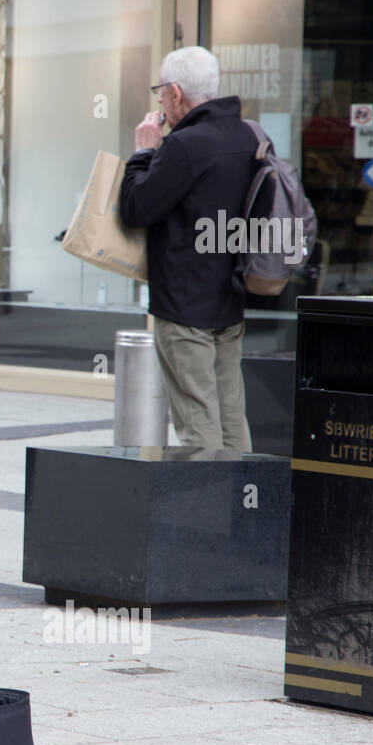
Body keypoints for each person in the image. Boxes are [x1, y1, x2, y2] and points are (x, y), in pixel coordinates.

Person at [119, 45, 255, 451]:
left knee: (198, 424)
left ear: (176, 93)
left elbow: (136, 208)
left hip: (183, 306)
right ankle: (247, 505)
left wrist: (144, 152)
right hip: (229, 298)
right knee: (231, 417)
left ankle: (210, 511)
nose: (159, 99)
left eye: (160, 91)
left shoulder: (185, 145)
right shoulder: (247, 135)